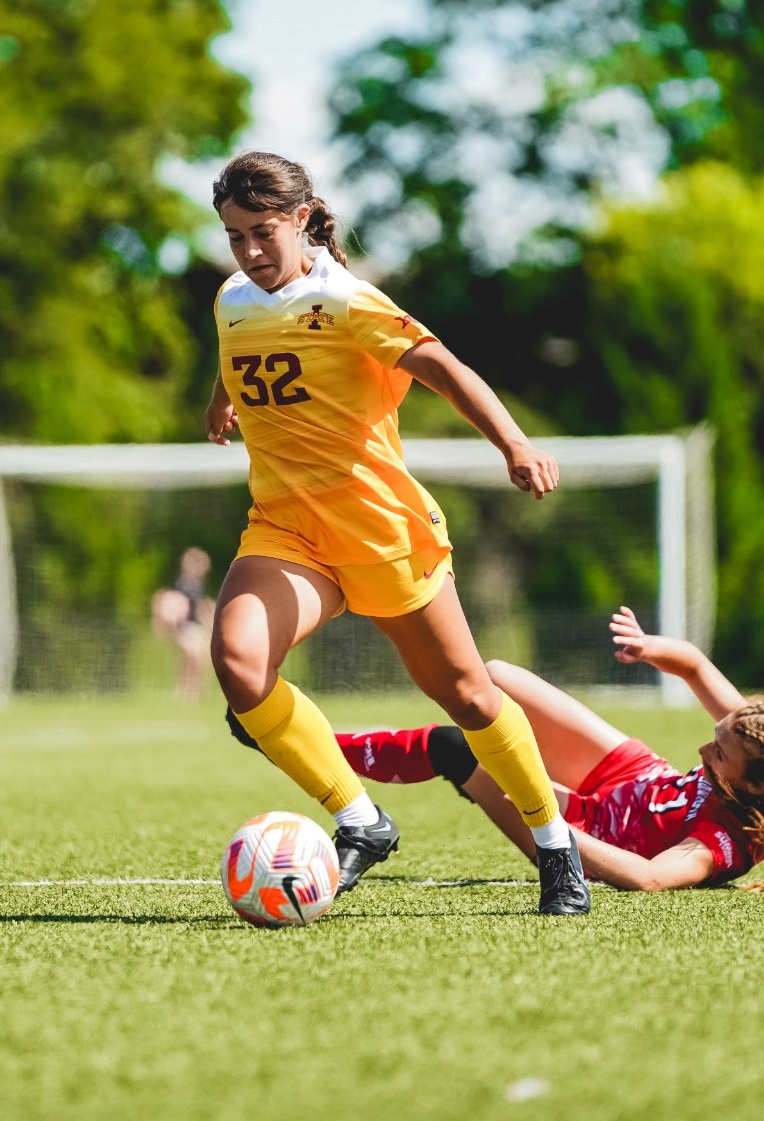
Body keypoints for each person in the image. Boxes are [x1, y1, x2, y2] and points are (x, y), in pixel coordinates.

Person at [203, 151, 592, 914]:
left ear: (304, 219)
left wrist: (513, 443)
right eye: (233, 235)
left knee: (469, 696)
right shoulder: (232, 298)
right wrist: (223, 398)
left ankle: (554, 843)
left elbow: (446, 369)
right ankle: (361, 819)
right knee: (239, 664)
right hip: (286, 528)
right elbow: (243, 346)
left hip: (383, 533)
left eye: (262, 233)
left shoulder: (347, 300)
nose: (248, 250)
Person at [231, 606, 764, 891]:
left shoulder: (724, 844)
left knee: (455, 746)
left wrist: (550, 822)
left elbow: (649, 876)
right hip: (632, 772)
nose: (706, 746)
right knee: (490, 680)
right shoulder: (756, 739)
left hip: (591, 823)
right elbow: (693, 664)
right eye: (717, 738)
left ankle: (294, 739)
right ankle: (296, 734)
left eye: (717, 757)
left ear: (752, 788)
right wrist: (652, 648)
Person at [151, 547, 214, 703]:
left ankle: (192, 690)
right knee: (192, 656)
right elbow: (167, 602)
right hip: (184, 627)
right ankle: (185, 690)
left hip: (194, 627)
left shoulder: (198, 585)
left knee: (197, 658)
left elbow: (200, 607)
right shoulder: (181, 584)